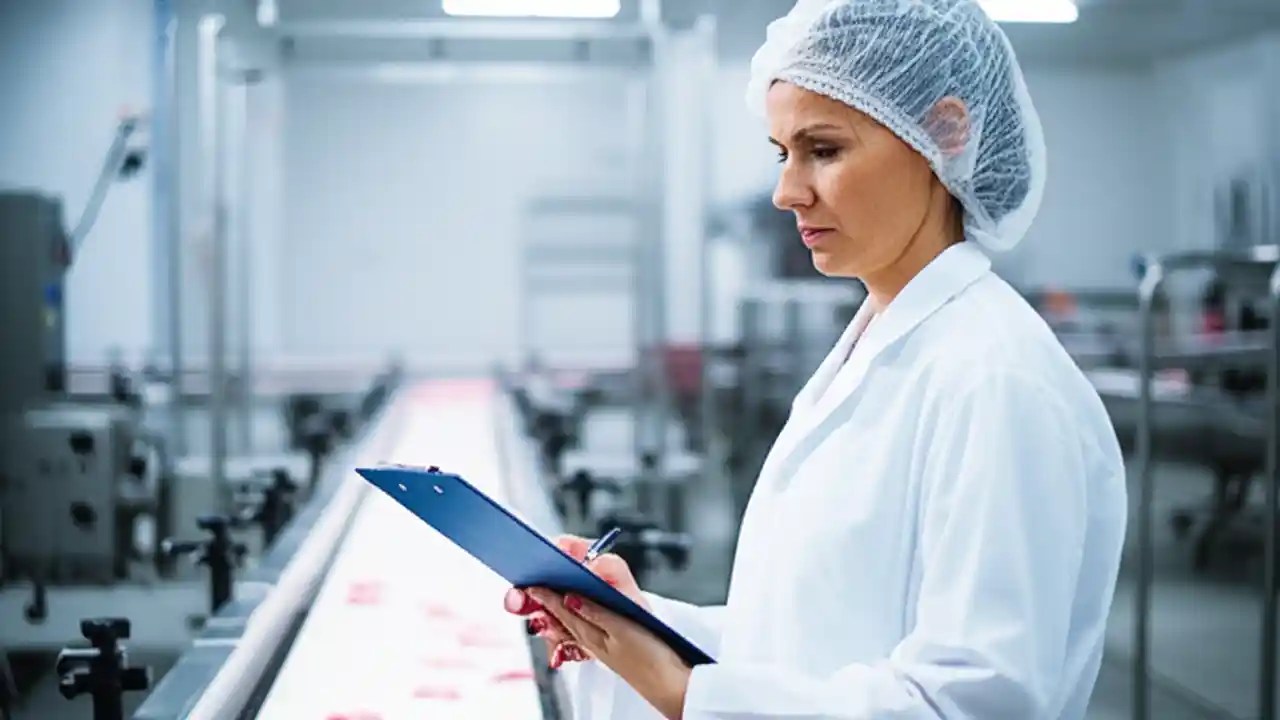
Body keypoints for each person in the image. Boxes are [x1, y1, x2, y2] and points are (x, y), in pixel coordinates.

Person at [504, 0, 1128, 717]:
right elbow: (805, 640)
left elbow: (971, 704)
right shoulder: (881, 343)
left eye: (823, 150)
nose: (785, 191)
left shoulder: (996, 381)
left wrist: (684, 690)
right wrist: (639, 625)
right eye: (782, 153)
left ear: (945, 133)